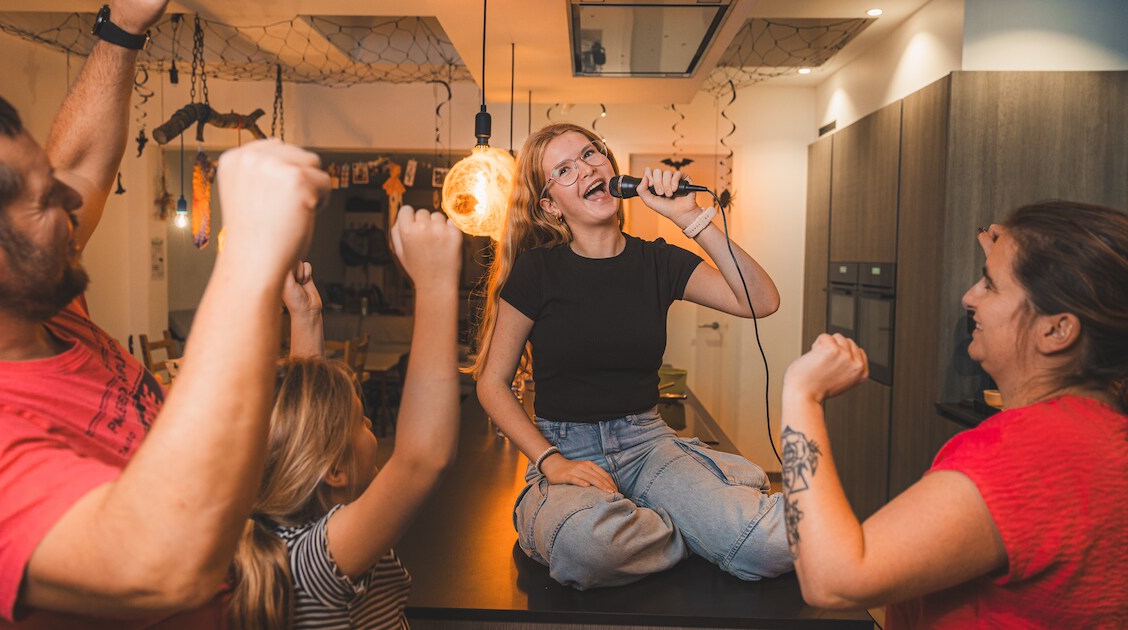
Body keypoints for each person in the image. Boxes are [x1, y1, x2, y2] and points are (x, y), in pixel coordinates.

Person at [0, 3, 332, 626]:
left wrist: (123, 26)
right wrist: (250, 251)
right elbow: (159, 566)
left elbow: (84, 162)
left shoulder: (31, 304)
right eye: (43, 197)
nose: (74, 197)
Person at [471, 122, 793, 589]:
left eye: (589, 155)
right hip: (566, 449)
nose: (585, 169)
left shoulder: (659, 262)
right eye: (564, 169)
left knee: (771, 543)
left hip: (648, 444)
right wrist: (551, 462)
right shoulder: (536, 271)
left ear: (610, 167)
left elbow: (760, 300)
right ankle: (696, 523)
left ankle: (695, 514)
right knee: (586, 547)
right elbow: (491, 383)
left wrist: (690, 217)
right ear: (549, 206)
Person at [780, 201, 1128, 627]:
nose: (968, 297)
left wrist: (802, 395)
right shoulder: (1099, 428)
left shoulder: (1028, 453)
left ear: (1056, 330)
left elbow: (834, 581)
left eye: (989, 284)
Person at [229, 206, 462, 630]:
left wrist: (306, 316)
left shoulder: (290, 527)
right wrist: (435, 284)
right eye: (361, 422)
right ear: (334, 470)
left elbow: (311, 419)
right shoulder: (317, 556)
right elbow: (420, 459)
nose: (370, 424)